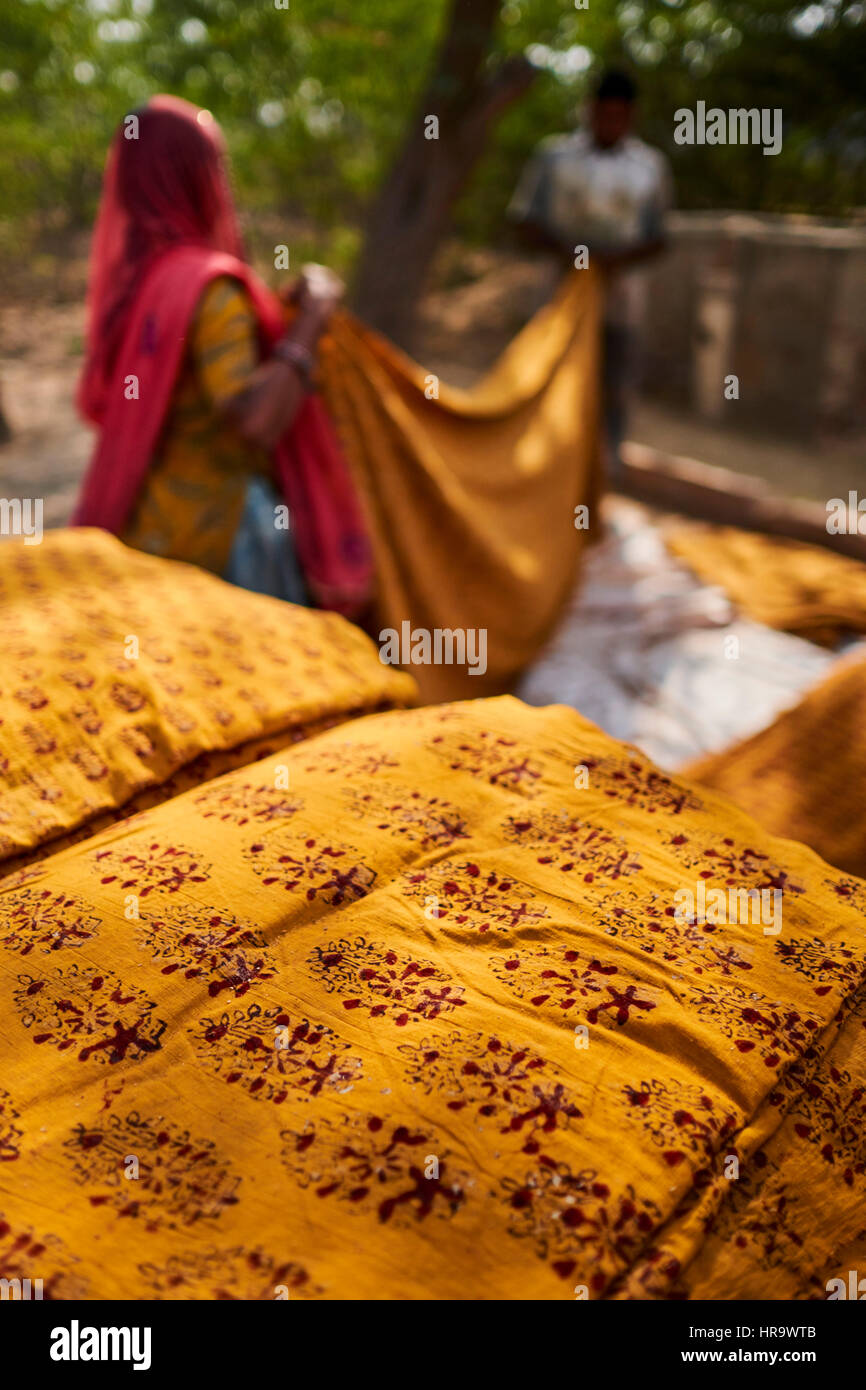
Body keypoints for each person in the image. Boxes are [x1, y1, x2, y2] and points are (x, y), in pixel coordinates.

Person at [74, 95, 372, 614]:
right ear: (195, 176)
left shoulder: (139, 285)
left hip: (148, 531)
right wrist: (313, 316)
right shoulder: (210, 289)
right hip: (227, 544)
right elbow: (254, 419)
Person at [509, 68, 673, 483]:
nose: (609, 124)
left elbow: (659, 238)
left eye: (618, 117)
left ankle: (601, 476)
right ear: (589, 111)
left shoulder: (650, 167)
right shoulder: (555, 157)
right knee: (544, 376)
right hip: (557, 293)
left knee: (612, 387)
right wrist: (570, 254)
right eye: (602, 115)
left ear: (631, 117)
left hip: (620, 300)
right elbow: (524, 220)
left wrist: (613, 261)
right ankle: (535, 470)